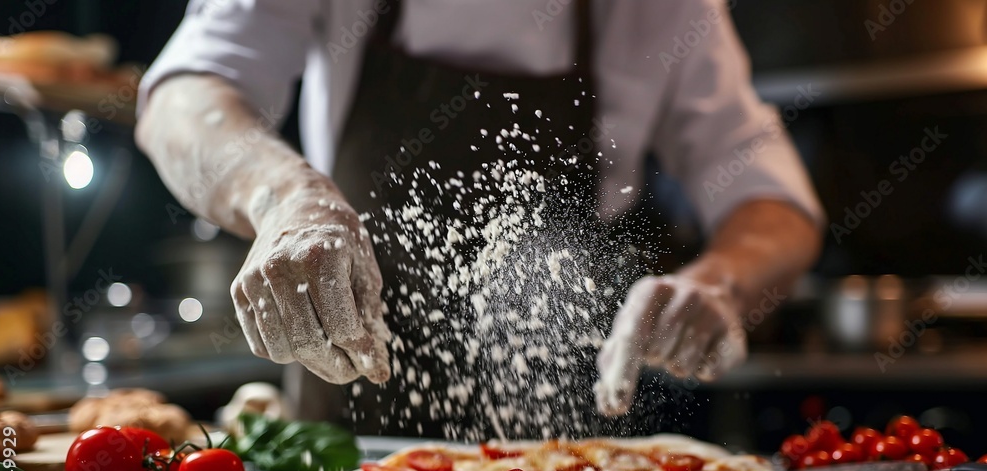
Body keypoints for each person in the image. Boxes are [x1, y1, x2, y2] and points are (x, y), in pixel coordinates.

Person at [137, 0, 823, 434]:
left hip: (579, 445)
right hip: (351, 429)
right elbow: (184, 98)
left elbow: (771, 197)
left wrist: (722, 280)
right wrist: (282, 197)